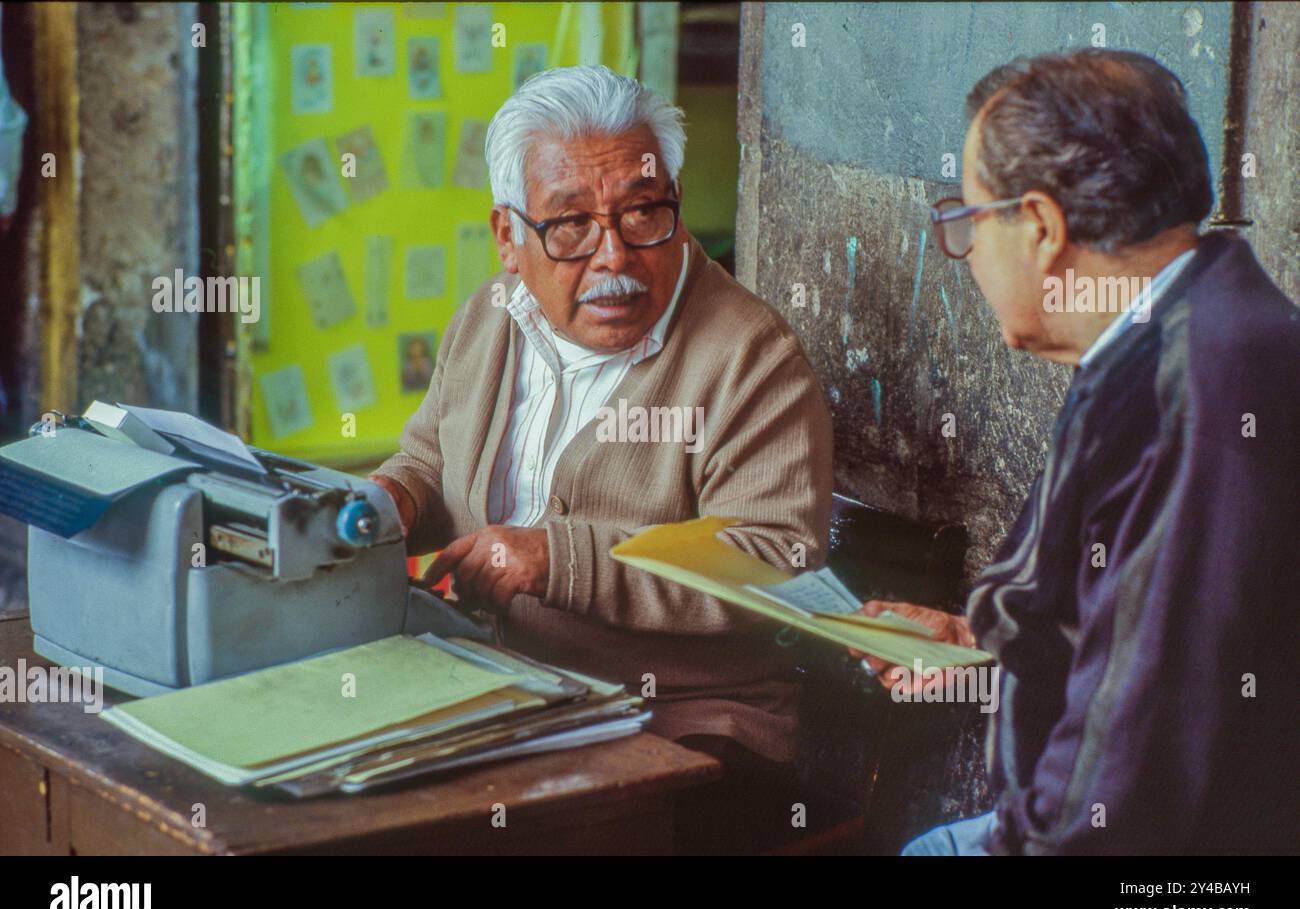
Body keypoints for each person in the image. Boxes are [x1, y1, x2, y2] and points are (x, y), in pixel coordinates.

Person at [370, 66, 834, 846]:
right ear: (508, 237)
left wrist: (556, 560)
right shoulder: (490, 318)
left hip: (684, 728)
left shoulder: (752, 357)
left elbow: (774, 564)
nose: (615, 256)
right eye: (571, 225)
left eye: (644, 213)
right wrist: (388, 502)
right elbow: (427, 455)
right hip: (511, 696)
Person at [855, 48, 1299, 855]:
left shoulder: (1193, 391)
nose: (968, 254)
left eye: (969, 221)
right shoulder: (1180, 332)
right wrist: (974, 640)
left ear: (1043, 229)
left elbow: (1131, 776)